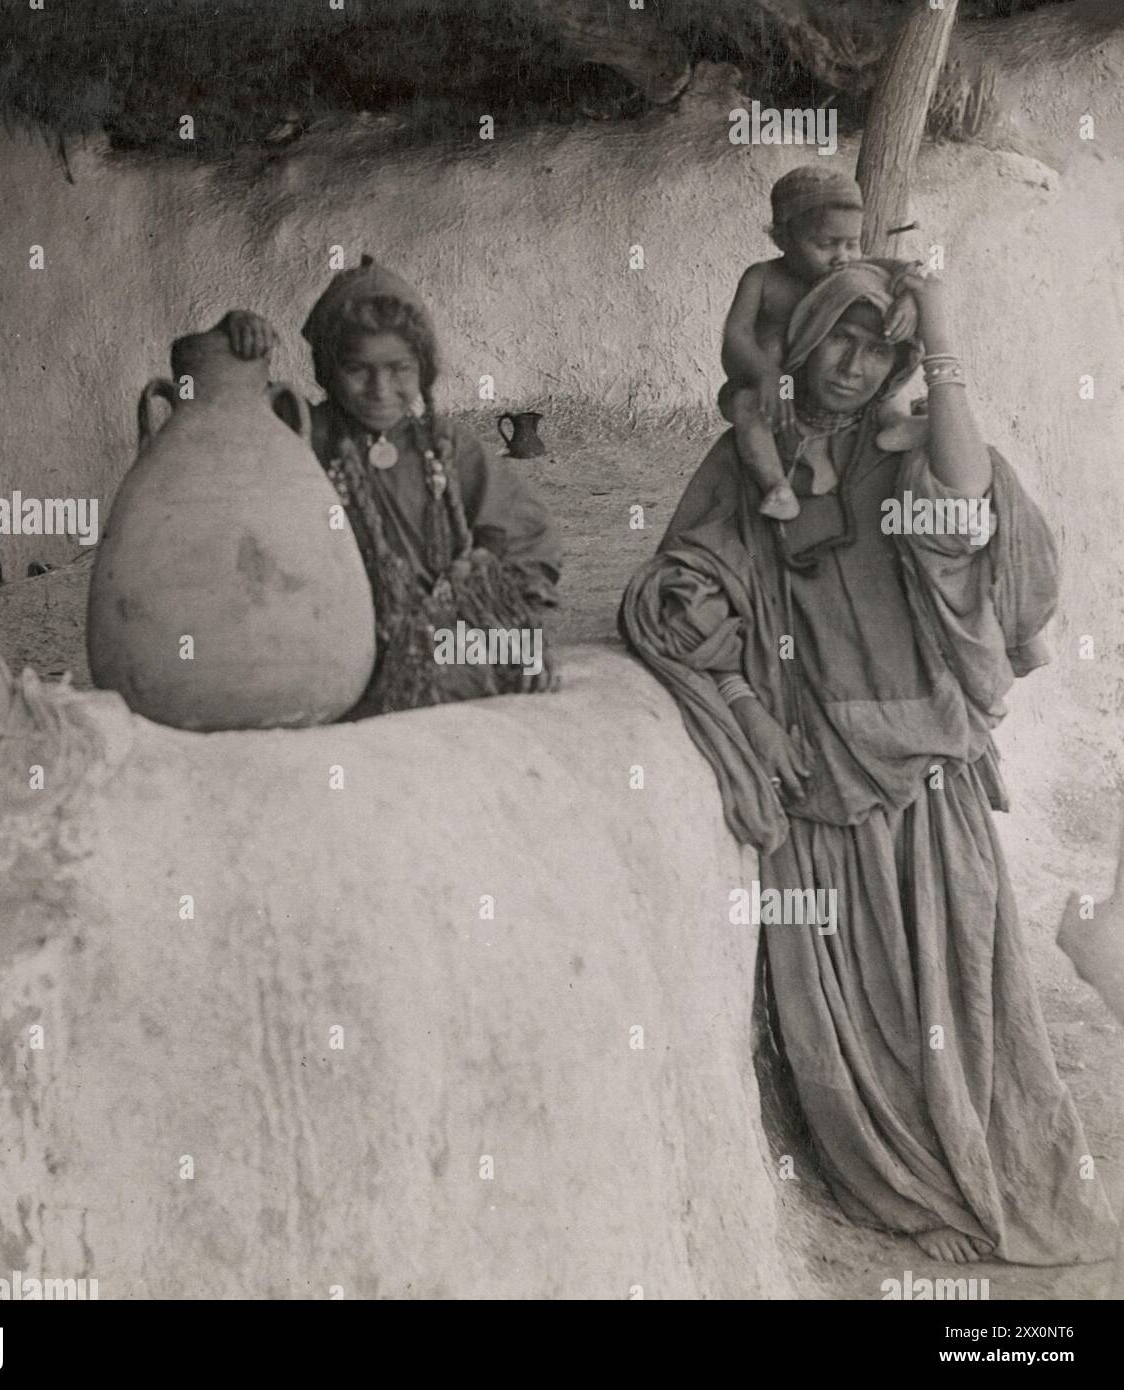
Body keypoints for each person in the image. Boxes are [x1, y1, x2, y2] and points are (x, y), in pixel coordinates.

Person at [622, 260, 1118, 1266]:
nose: (859, 365)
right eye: (841, 340)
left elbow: (970, 509)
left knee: (958, 1006)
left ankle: (982, 1171)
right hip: (814, 782)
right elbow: (686, 594)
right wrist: (753, 717)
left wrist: (941, 341)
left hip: (925, 772)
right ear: (801, 344)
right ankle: (893, 1177)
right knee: (850, 1015)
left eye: (882, 347)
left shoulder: (913, 450)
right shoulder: (747, 459)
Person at [224, 257, 561, 717]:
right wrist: (235, 346)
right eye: (358, 370)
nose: (380, 389)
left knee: (495, 673)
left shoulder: (445, 446)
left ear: (422, 369)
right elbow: (233, 423)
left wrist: (485, 579)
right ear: (326, 370)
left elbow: (526, 533)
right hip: (335, 636)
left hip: (439, 632)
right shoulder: (301, 432)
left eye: (399, 369)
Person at [718, 166, 915, 521]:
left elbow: (907, 273)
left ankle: (896, 424)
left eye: (852, 243)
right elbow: (736, 336)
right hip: (771, 391)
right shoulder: (763, 279)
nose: (842, 255)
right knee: (746, 408)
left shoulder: (850, 272)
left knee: (886, 384)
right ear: (781, 237)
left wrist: (909, 301)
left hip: (827, 391)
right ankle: (776, 486)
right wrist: (765, 374)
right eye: (825, 244)